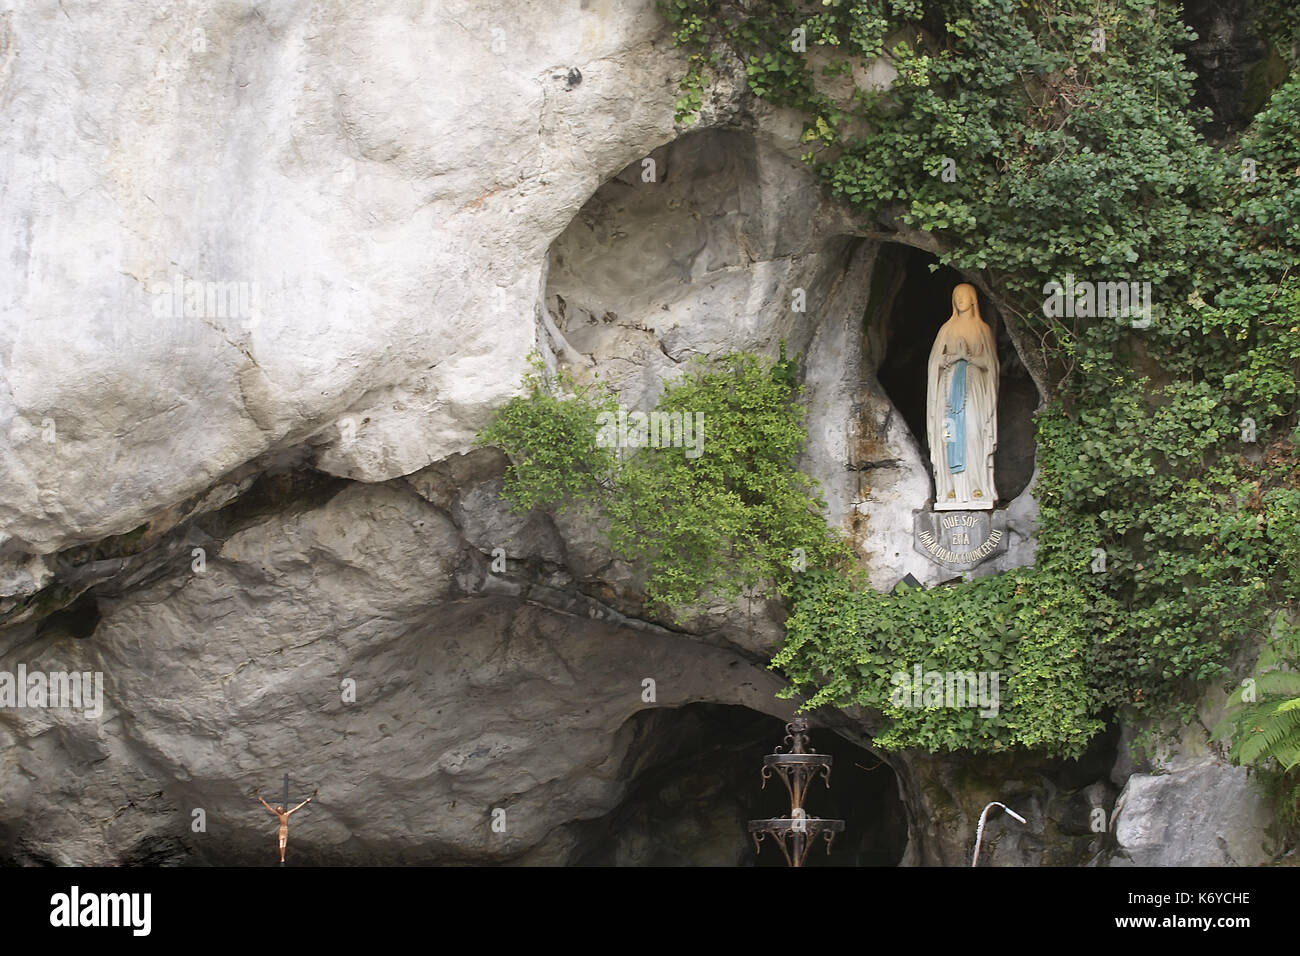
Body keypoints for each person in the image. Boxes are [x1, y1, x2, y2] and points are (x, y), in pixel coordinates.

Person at [256, 788, 316, 864]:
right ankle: (282, 857)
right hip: (281, 829)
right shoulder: (278, 815)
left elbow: (296, 808)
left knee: (284, 844)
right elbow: (270, 809)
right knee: (280, 844)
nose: (280, 810)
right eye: (279, 810)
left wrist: (306, 801)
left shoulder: (287, 814)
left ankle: (282, 857)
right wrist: (263, 801)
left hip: (285, 829)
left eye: (280, 809)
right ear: (278, 811)